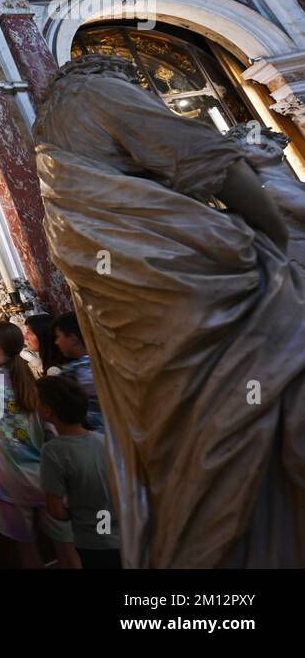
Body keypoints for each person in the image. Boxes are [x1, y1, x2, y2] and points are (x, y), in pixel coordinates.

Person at [34, 54, 305, 567]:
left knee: (190, 434)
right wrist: (271, 245)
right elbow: (205, 156)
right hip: (203, 285)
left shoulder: (54, 156)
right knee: (264, 394)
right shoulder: (96, 94)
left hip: (146, 319)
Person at [0, 322, 77, 568]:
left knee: (26, 547)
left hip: (8, 476)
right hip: (43, 472)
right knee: (64, 544)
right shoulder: (27, 376)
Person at [37, 375, 122, 569]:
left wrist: (77, 514)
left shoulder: (53, 451)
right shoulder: (104, 440)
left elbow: (55, 510)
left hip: (92, 541)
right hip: (124, 535)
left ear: (47, 411)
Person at [49, 312, 102, 430]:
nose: (56, 342)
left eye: (58, 336)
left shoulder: (72, 372)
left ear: (73, 338)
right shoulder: (110, 361)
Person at [21, 312, 63, 377]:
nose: (26, 337)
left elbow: (1, 387)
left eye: (30, 333)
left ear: (43, 336)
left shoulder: (55, 371)